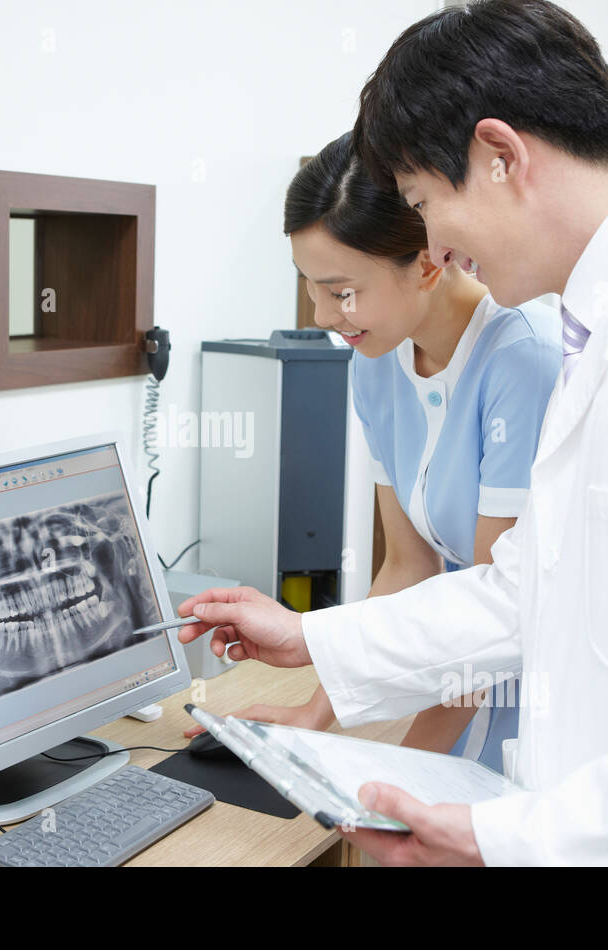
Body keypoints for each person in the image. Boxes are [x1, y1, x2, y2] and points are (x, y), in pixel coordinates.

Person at [177, 0, 608, 865]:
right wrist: (314, 637)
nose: (433, 245)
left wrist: (526, 840)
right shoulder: (599, 331)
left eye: (424, 200)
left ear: (500, 157)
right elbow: (523, 591)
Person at [183, 132, 560, 773]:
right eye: (310, 286)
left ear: (428, 261)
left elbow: (492, 615)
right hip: (453, 682)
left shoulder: (523, 358)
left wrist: (399, 785)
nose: (324, 314)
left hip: (535, 707)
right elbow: (408, 564)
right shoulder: (378, 358)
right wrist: (312, 714)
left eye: (342, 290)